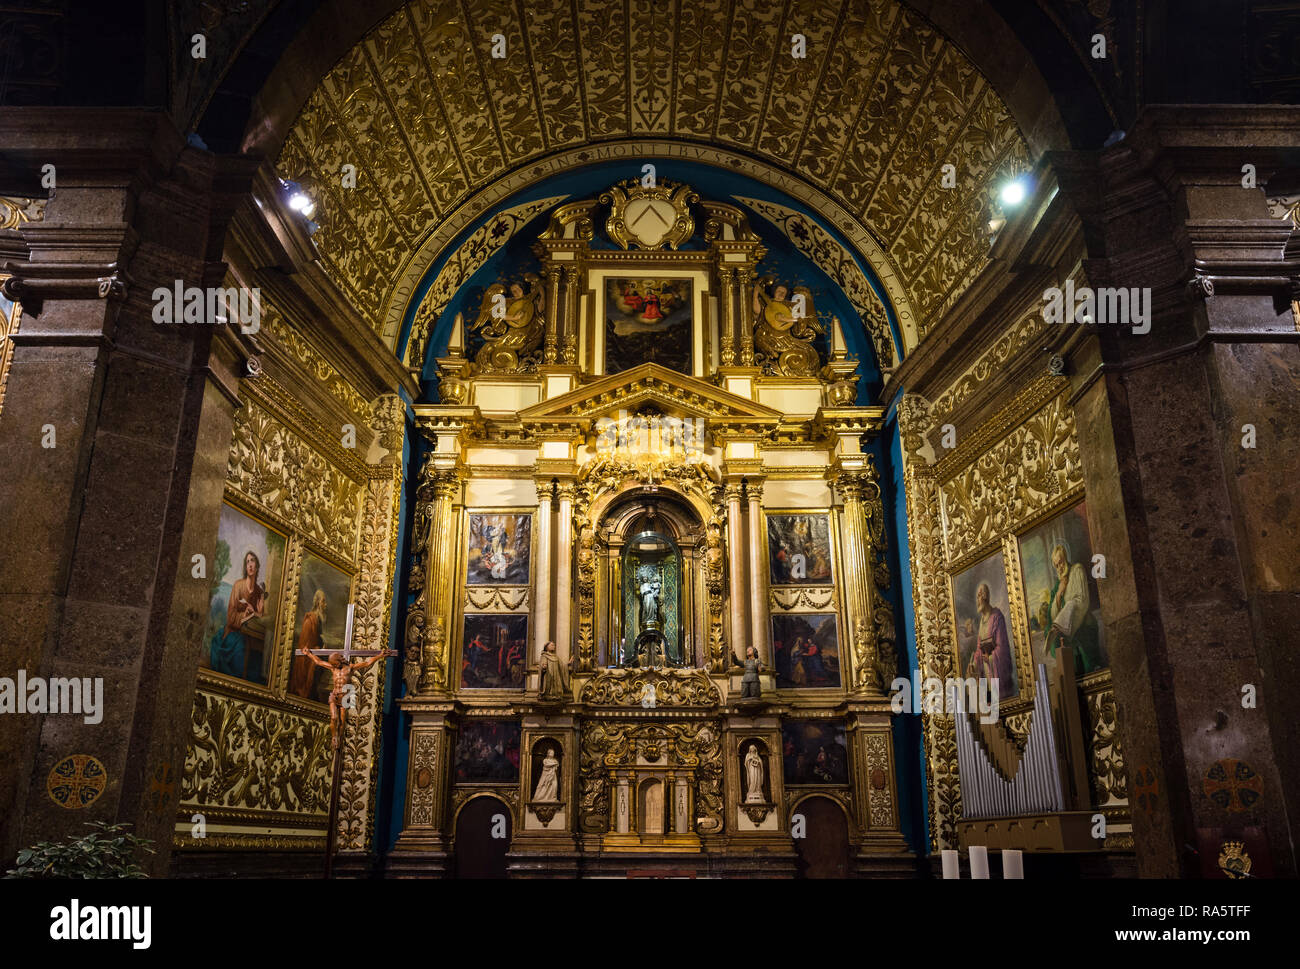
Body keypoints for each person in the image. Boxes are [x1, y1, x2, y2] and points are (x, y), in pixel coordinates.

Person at [296, 647, 390, 748]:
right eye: (333, 664)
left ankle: (340, 738)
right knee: (333, 717)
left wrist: (380, 656)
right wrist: (308, 654)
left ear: (339, 660)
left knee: (342, 720)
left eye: (335, 664)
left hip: (346, 697)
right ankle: (334, 737)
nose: (334, 666)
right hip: (334, 695)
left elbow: (367, 663)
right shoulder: (332, 668)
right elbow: (318, 662)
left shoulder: (350, 668)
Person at [1044, 543, 1104, 673]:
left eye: (1061, 562)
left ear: (1066, 558)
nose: (1060, 567)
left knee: (1090, 668)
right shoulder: (1056, 587)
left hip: (1084, 627)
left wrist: (1068, 610)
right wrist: (1059, 593)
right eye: (1056, 565)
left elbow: (1082, 601)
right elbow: (1052, 616)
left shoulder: (1077, 570)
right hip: (1068, 634)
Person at [210, 550, 267, 680]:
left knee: (258, 656)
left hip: (250, 632)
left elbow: (259, 615)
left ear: (257, 566)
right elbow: (230, 617)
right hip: (233, 632)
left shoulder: (258, 591)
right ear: (245, 567)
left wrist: (256, 611)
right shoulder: (238, 585)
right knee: (241, 649)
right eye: (247, 562)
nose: (250, 565)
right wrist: (245, 615)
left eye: (252, 561)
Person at [964, 582, 1015, 697]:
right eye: (977, 596)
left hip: (995, 668)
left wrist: (990, 658)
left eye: (979, 595)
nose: (978, 600)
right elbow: (979, 649)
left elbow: (1003, 647)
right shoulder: (982, 621)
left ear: (985, 596)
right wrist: (973, 664)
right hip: (986, 672)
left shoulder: (997, 616)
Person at [289, 588, 326, 698]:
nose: (326, 604)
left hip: (314, 654)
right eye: (323, 601)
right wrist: (317, 648)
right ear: (318, 602)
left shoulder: (318, 619)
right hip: (306, 659)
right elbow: (305, 646)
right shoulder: (310, 620)